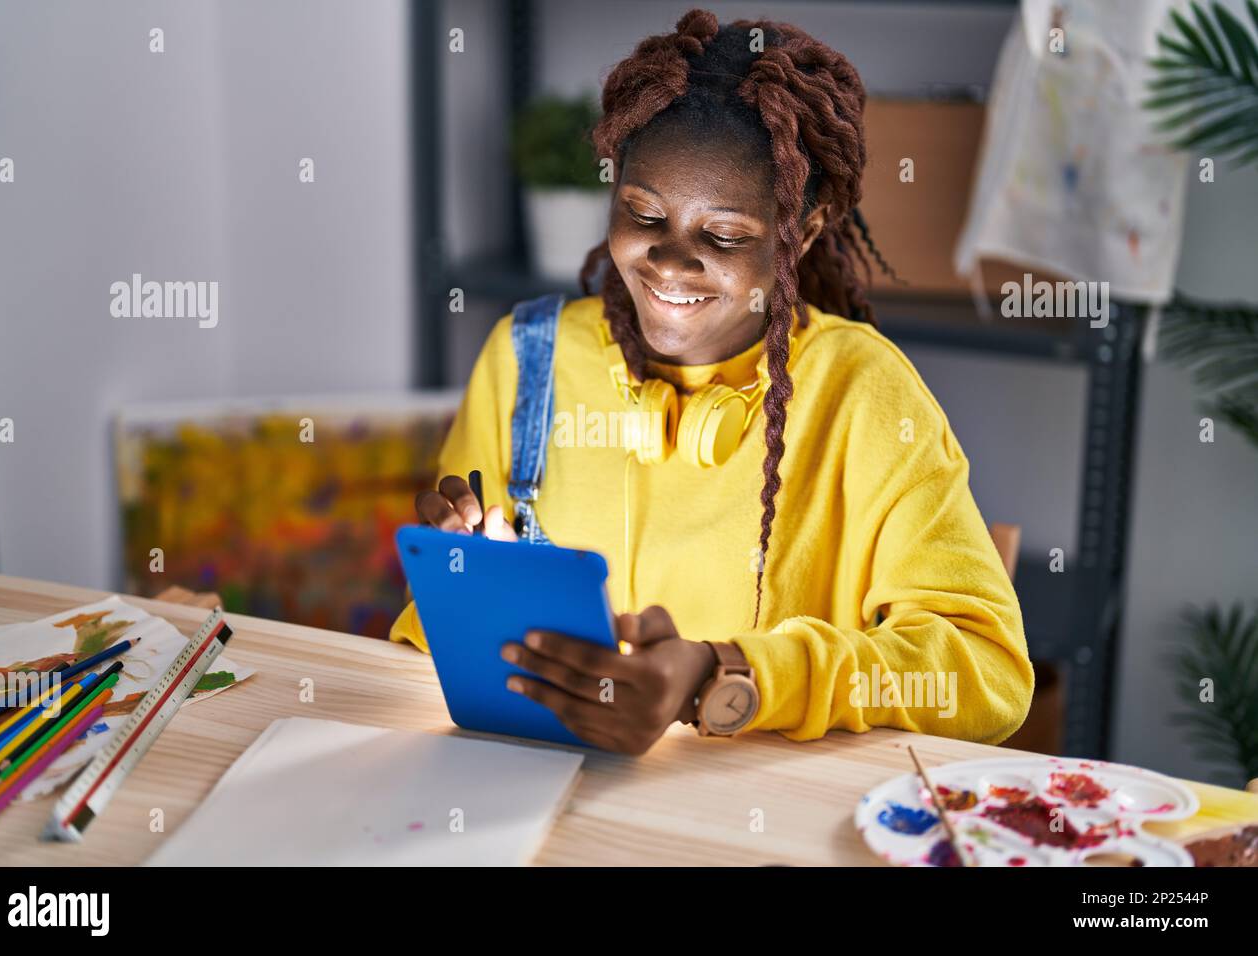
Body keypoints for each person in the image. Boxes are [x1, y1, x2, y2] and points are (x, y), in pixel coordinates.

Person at [391, 9, 1033, 755]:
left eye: (724, 236)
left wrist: (722, 678)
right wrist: (464, 579)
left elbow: (985, 672)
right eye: (643, 213)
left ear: (808, 228)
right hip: (545, 787)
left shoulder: (862, 394)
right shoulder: (526, 358)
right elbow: (436, 642)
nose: (668, 262)